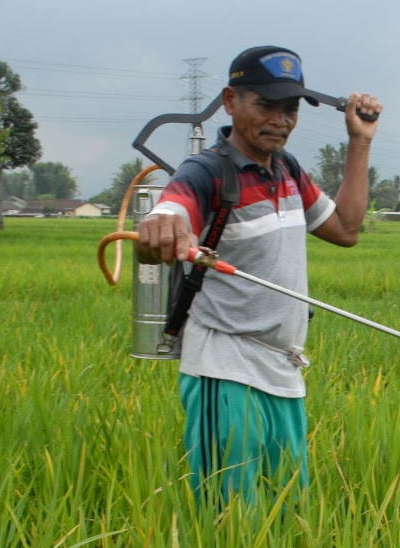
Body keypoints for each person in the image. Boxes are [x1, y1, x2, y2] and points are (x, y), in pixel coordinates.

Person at [134, 45, 381, 504]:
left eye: (289, 109)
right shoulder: (207, 171)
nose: (280, 120)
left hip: (282, 367)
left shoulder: (286, 171)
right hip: (225, 369)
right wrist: (164, 221)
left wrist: (360, 140)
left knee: (286, 505)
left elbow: (346, 230)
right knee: (228, 516)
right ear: (231, 101)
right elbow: (175, 205)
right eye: (266, 105)